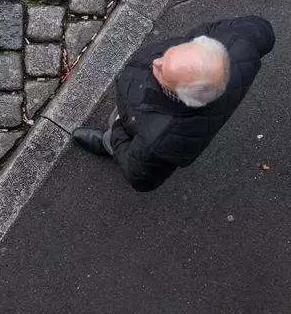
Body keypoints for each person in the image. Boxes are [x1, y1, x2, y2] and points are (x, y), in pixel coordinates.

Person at [73, 16, 276, 192]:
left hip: (132, 119)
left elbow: (139, 176)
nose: (156, 63)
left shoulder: (160, 139)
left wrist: (118, 130)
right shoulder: (241, 42)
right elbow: (261, 29)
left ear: (179, 95)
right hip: (141, 105)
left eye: (164, 73)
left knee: (120, 131)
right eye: (172, 53)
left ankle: (108, 143)